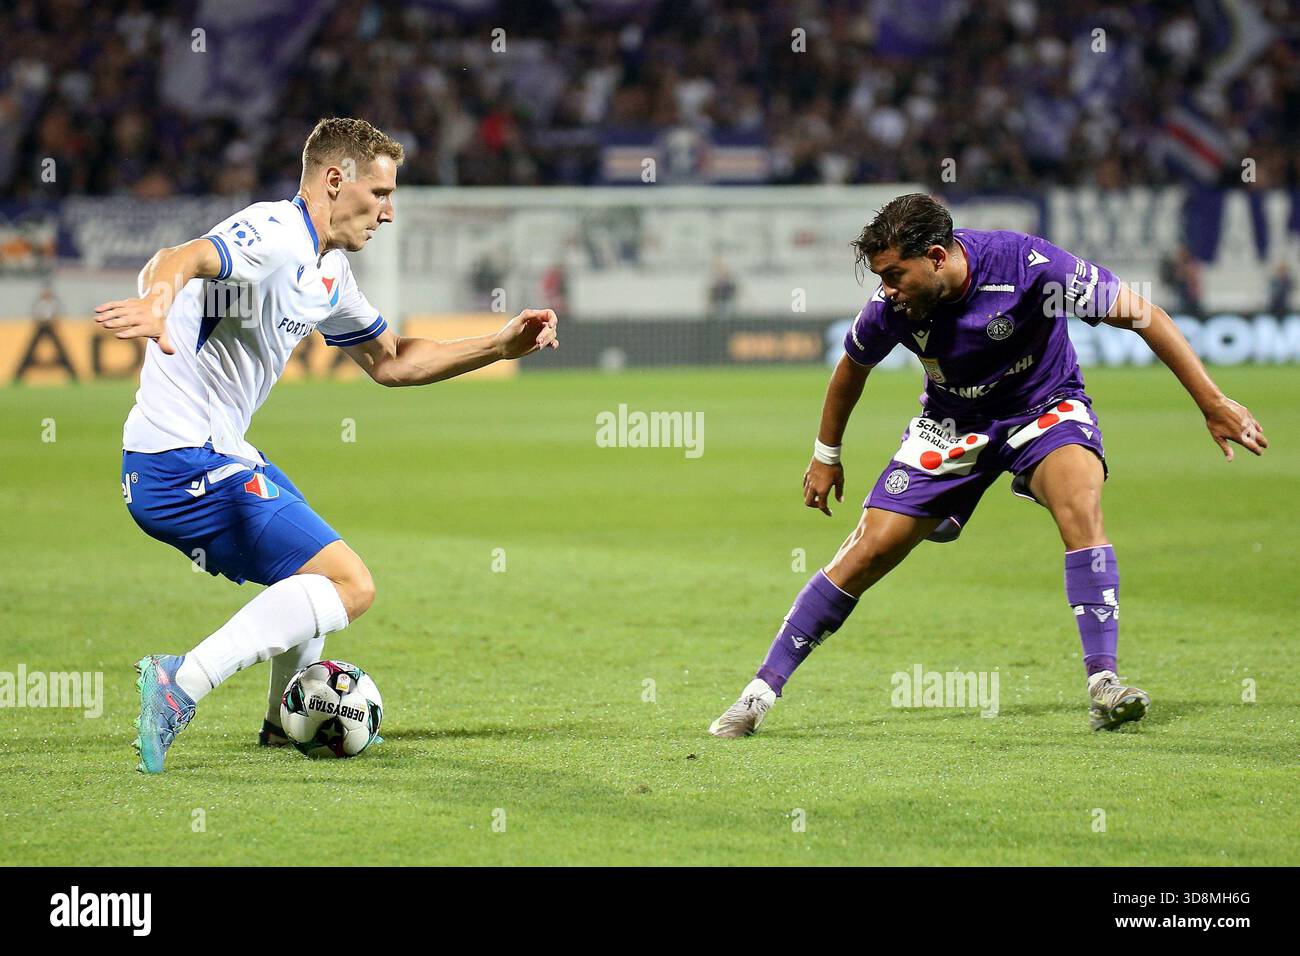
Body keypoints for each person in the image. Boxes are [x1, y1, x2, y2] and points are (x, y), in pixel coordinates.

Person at [709, 193, 1267, 737]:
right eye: (881, 277)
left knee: (1081, 505)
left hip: (1045, 408)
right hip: (951, 427)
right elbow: (851, 369)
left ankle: (1104, 685)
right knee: (869, 549)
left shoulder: (1030, 267)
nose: (887, 289)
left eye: (895, 274)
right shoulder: (892, 309)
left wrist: (1212, 402)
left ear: (935, 257)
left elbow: (1141, 313)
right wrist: (826, 456)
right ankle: (757, 695)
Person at [96, 117, 559, 772]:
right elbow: (188, 256)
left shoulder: (329, 269)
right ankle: (183, 681)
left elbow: (391, 360)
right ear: (336, 181)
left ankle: (280, 726)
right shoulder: (277, 233)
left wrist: (498, 344)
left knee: (313, 570)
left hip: (206, 455)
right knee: (351, 584)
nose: (389, 213)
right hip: (181, 460)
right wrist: (156, 300)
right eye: (381, 194)